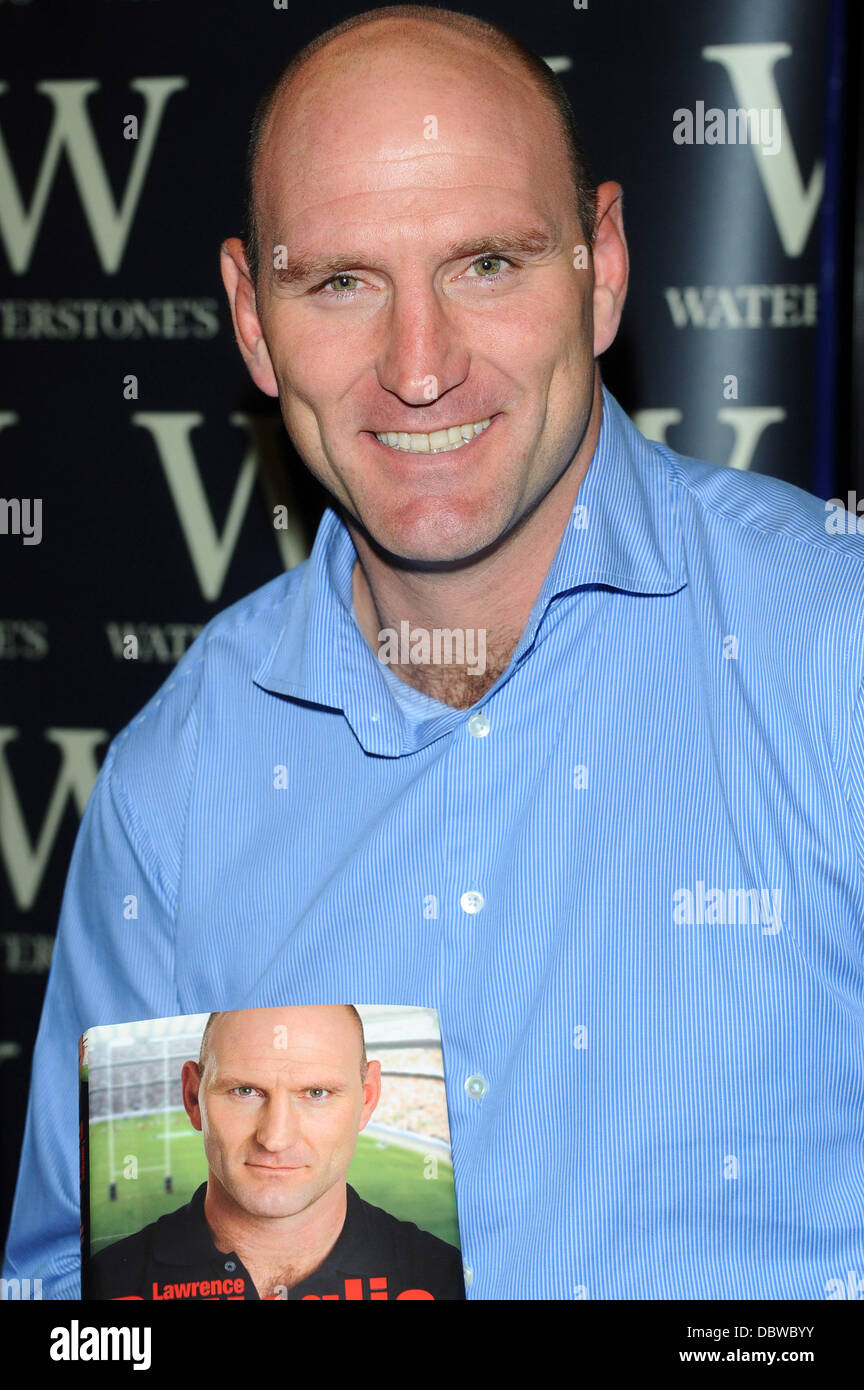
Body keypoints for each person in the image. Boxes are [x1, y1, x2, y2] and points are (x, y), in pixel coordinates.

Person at [4, 4, 864, 1300]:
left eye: (488, 264)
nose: (419, 367)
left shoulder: (832, 662)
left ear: (606, 265)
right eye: (341, 281)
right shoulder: (174, 784)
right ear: (252, 318)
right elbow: (73, 1292)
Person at [87, 1006, 464, 1300]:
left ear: (368, 1098)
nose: (275, 1138)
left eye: (316, 1093)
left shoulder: (446, 1278)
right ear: (192, 1097)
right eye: (245, 1091)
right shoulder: (103, 1283)